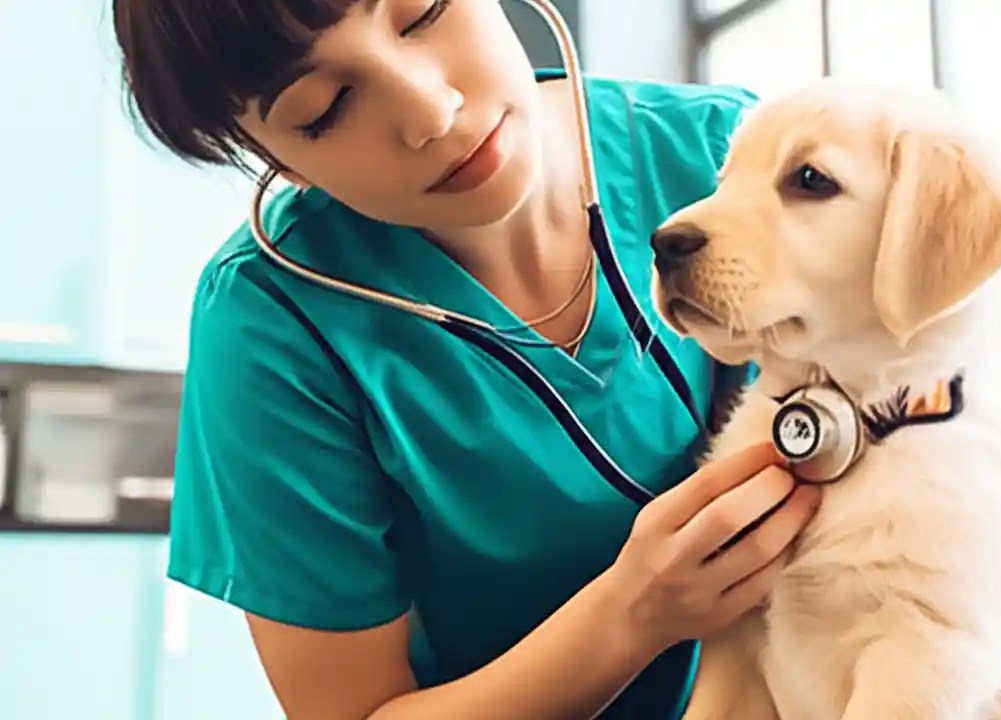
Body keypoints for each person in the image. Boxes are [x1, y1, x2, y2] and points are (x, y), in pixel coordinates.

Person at [113, 0, 821, 717]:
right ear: (278, 161)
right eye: (324, 109)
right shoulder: (272, 323)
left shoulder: (724, 153)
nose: (431, 110)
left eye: (423, 14)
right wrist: (635, 614)